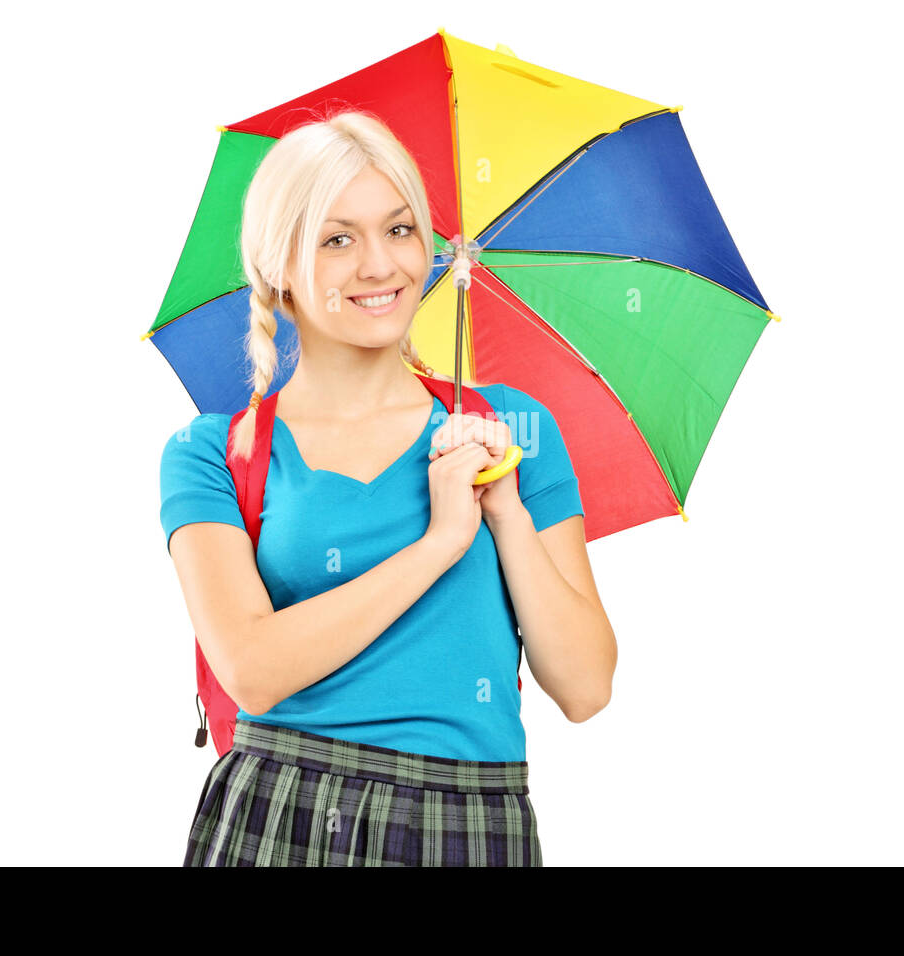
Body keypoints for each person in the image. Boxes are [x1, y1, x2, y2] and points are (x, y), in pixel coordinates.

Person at [160, 111, 617, 866]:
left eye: (401, 230)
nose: (381, 265)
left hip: (473, 823)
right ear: (279, 270)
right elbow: (254, 670)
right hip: (282, 815)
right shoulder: (215, 452)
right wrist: (440, 543)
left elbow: (585, 687)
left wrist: (502, 510)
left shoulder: (509, 428)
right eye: (338, 239)